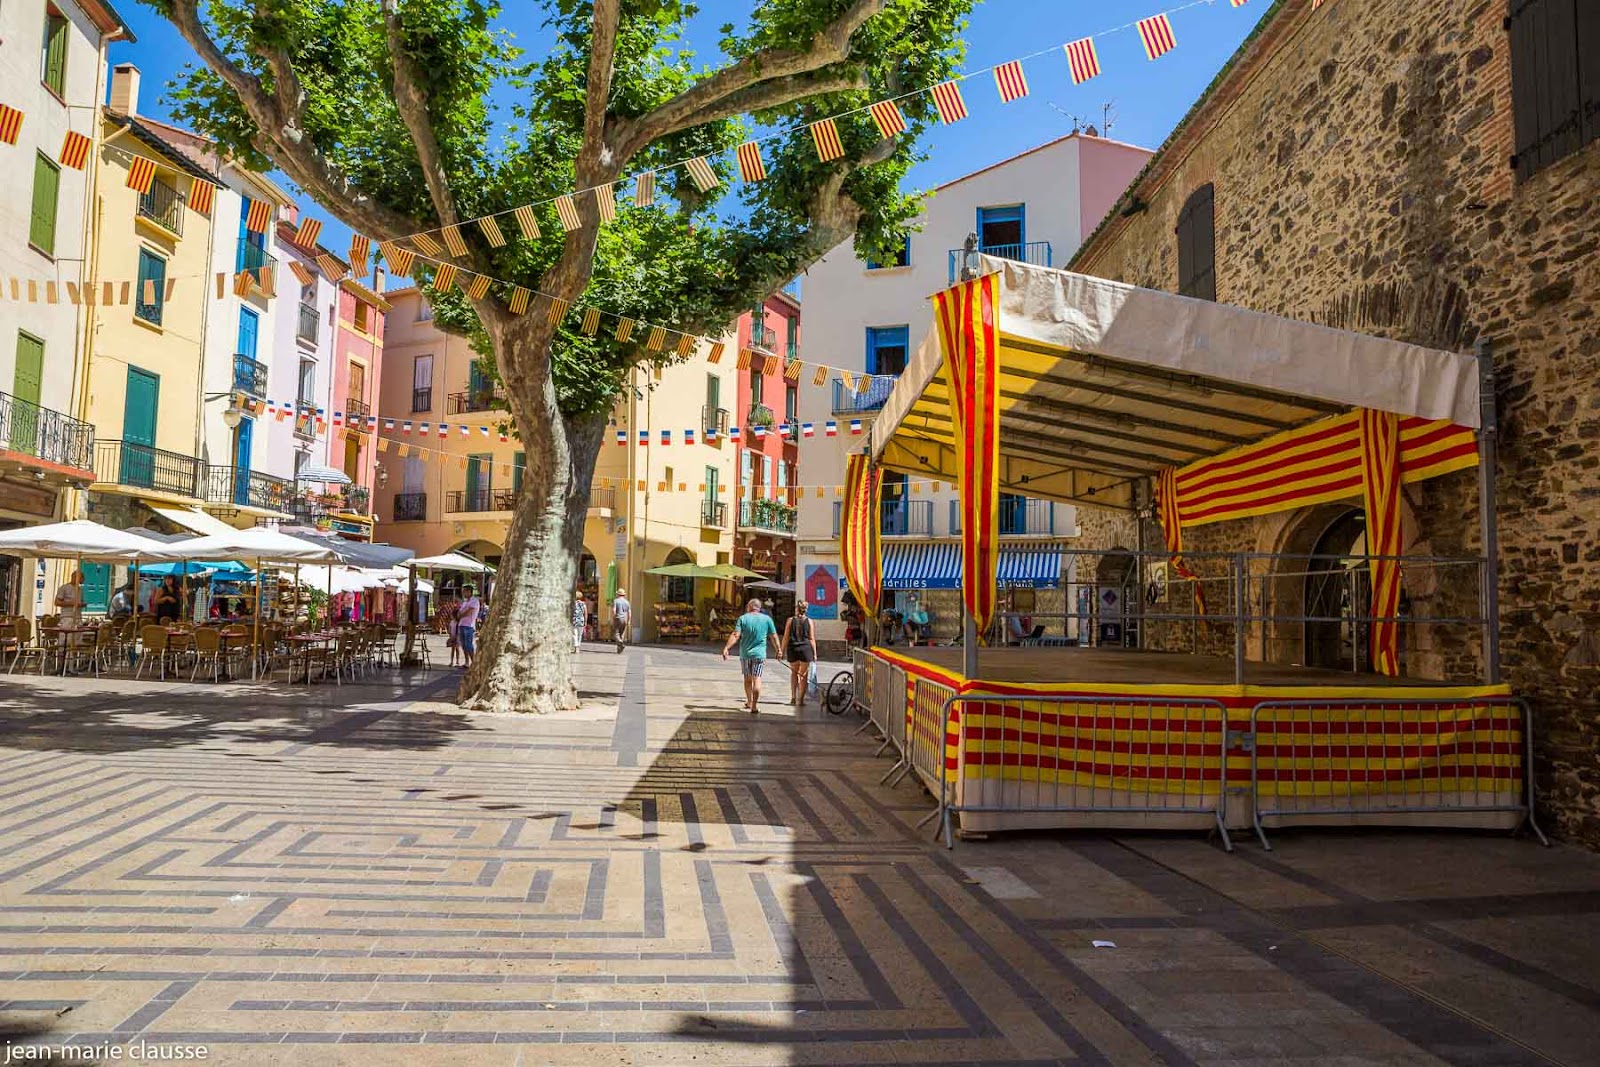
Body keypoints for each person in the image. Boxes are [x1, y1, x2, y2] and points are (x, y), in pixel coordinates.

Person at [722, 598, 780, 714]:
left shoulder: (743, 618)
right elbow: (773, 636)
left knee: (747, 680)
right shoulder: (767, 619)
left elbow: (736, 635)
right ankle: (754, 706)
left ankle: (749, 701)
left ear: (749, 607)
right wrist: (779, 650)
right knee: (757, 679)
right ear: (759, 608)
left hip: (745, 654)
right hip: (759, 655)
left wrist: (727, 648)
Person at [779, 603, 817, 708]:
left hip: (793, 649)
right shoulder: (810, 621)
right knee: (803, 675)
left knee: (794, 673)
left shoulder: (790, 620)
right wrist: (814, 653)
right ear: (806, 609)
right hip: (805, 650)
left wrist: (781, 650)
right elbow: (812, 639)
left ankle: (793, 697)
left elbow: (785, 637)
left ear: (797, 608)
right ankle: (800, 699)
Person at [456, 584, 482, 669]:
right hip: (462, 624)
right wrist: (459, 615)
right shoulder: (465, 602)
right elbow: (460, 611)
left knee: (468, 645)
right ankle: (467, 662)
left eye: (464, 591)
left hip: (469, 625)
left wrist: (460, 615)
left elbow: (469, 611)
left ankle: (473, 662)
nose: (463, 593)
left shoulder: (474, 601)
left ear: (469, 592)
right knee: (463, 645)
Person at [610, 589, 631, 653]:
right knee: (622, 633)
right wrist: (629, 620)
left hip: (618, 618)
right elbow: (629, 612)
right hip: (625, 618)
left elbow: (614, 610)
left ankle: (620, 642)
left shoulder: (616, 601)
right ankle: (619, 648)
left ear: (618, 594)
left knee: (616, 633)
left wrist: (613, 617)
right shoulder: (627, 602)